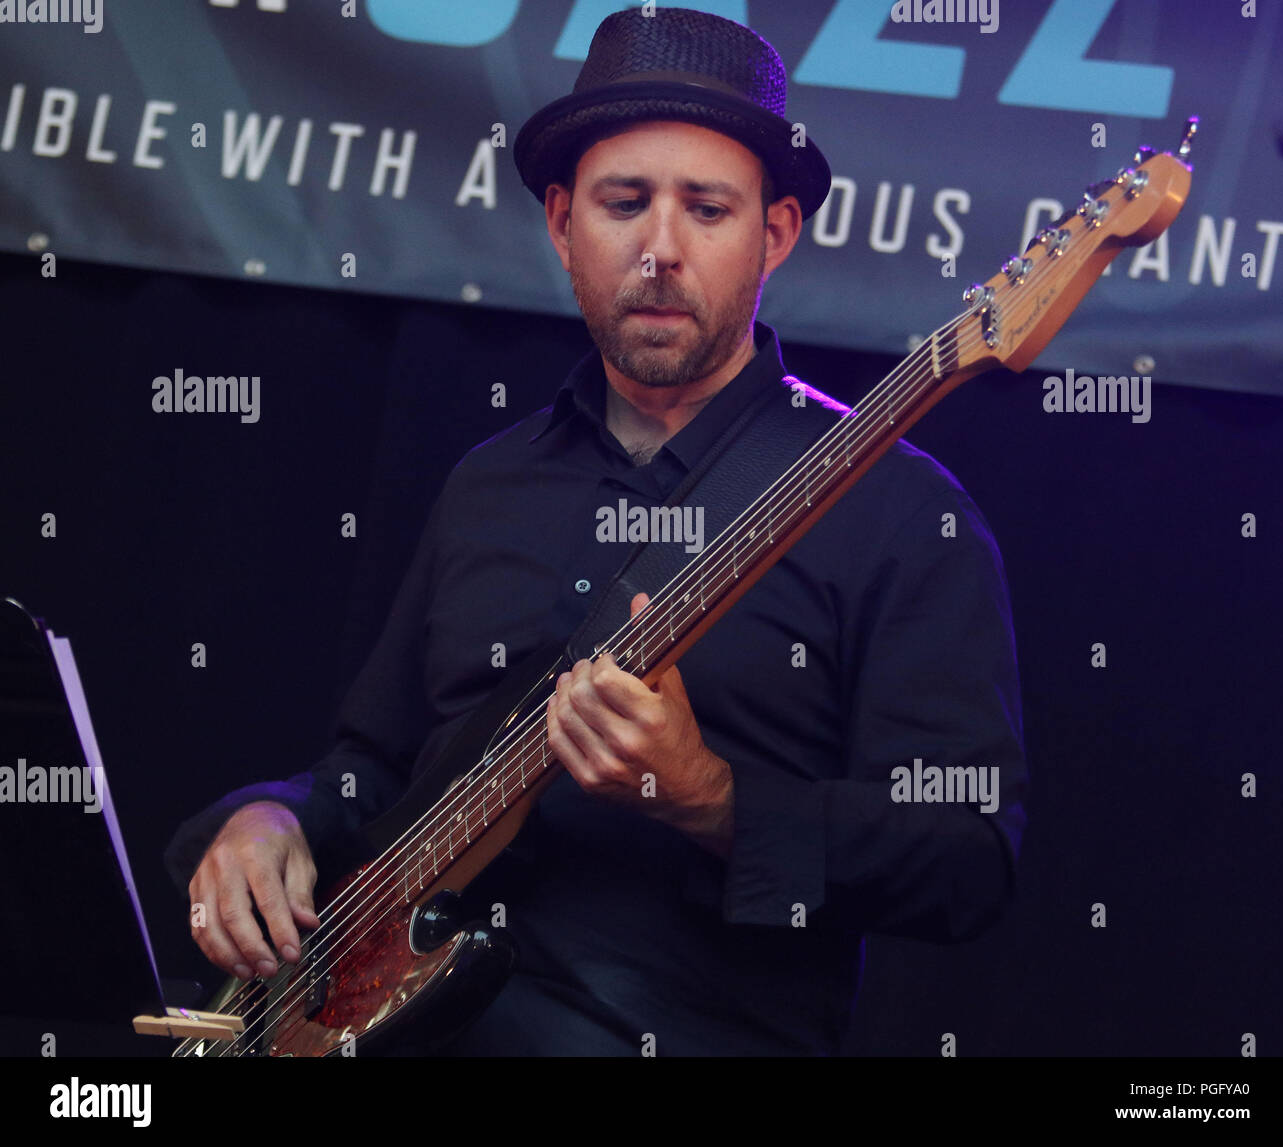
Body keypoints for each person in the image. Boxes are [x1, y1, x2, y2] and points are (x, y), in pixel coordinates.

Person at [165, 7, 1028, 1056]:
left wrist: (710, 798)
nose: (661, 249)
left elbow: (968, 859)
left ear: (777, 233)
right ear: (562, 223)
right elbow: (375, 765)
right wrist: (271, 817)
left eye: (707, 209)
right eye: (625, 202)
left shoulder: (895, 508)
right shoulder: (489, 483)